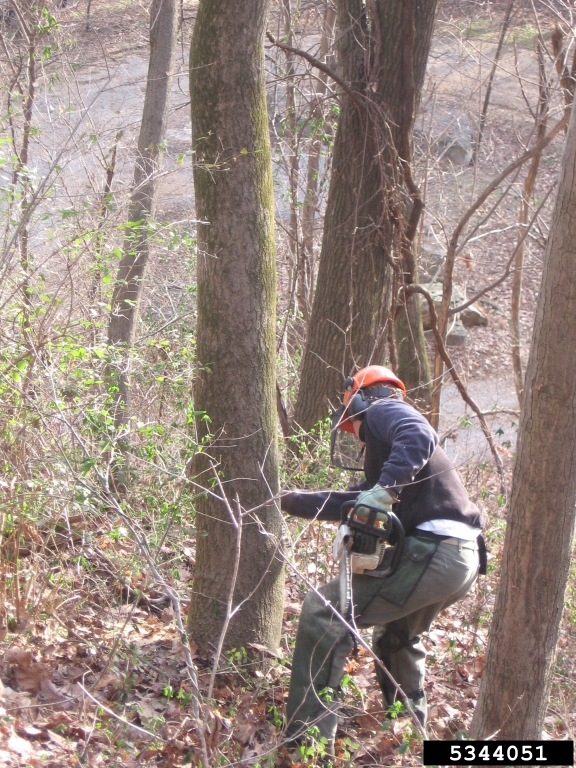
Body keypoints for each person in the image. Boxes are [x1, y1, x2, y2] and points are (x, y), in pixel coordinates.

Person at [280, 365, 485, 752]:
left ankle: (305, 744)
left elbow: (419, 433)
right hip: (461, 559)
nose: (356, 440)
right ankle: (409, 742)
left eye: (350, 427)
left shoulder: (383, 411)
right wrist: (289, 500)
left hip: (436, 553)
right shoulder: (392, 458)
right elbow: (350, 501)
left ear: (361, 402)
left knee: (324, 611)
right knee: (397, 636)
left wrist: (385, 490)